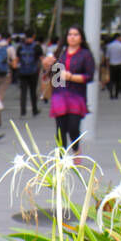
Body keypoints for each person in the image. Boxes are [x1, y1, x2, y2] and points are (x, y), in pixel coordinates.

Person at [46, 24, 94, 157]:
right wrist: (48, 65)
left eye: (75, 35)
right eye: (70, 34)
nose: (72, 37)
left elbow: (89, 76)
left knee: (73, 127)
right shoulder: (60, 53)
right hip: (60, 95)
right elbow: (55, 78)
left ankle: (76, 148)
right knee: (60, 129)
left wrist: (71, 76)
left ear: (81, 37)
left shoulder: (85, 55)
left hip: (76, 96)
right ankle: (61, 158)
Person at [15, 31, 44, 118]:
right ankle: (34, 110)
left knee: (23, 92)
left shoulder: (20, 47)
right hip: (33, 72)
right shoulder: (37, 47)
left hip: (22, 72)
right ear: (33, 36)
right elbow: (42, 59)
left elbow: (16, 60)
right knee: (33, 91)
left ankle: (23, 111)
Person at [105, 34, 121, 100]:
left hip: (112, 65)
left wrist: (107, 66)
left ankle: (111, 93)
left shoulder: (109, 46)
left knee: (112, 80)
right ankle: (116, 94)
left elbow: (107, 57)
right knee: (119, 80)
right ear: (118, 38)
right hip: (119, 65)